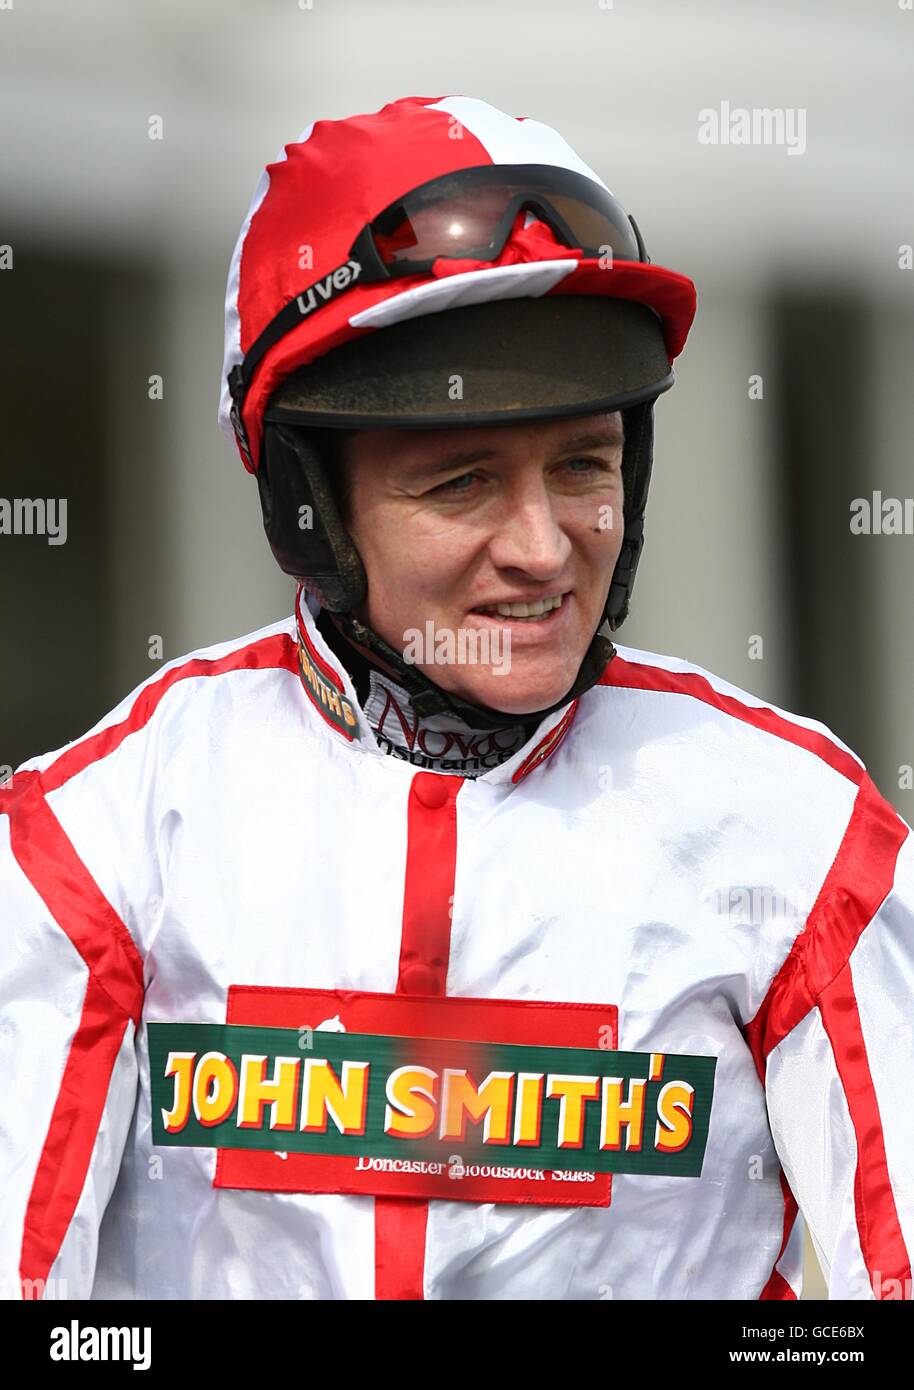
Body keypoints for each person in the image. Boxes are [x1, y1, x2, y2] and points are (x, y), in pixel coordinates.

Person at [1, 94, 911, 1303]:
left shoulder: (800, 830)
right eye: (461, 480)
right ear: (308, 505)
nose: (541, 547)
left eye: (582, 464)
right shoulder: (99, 836)